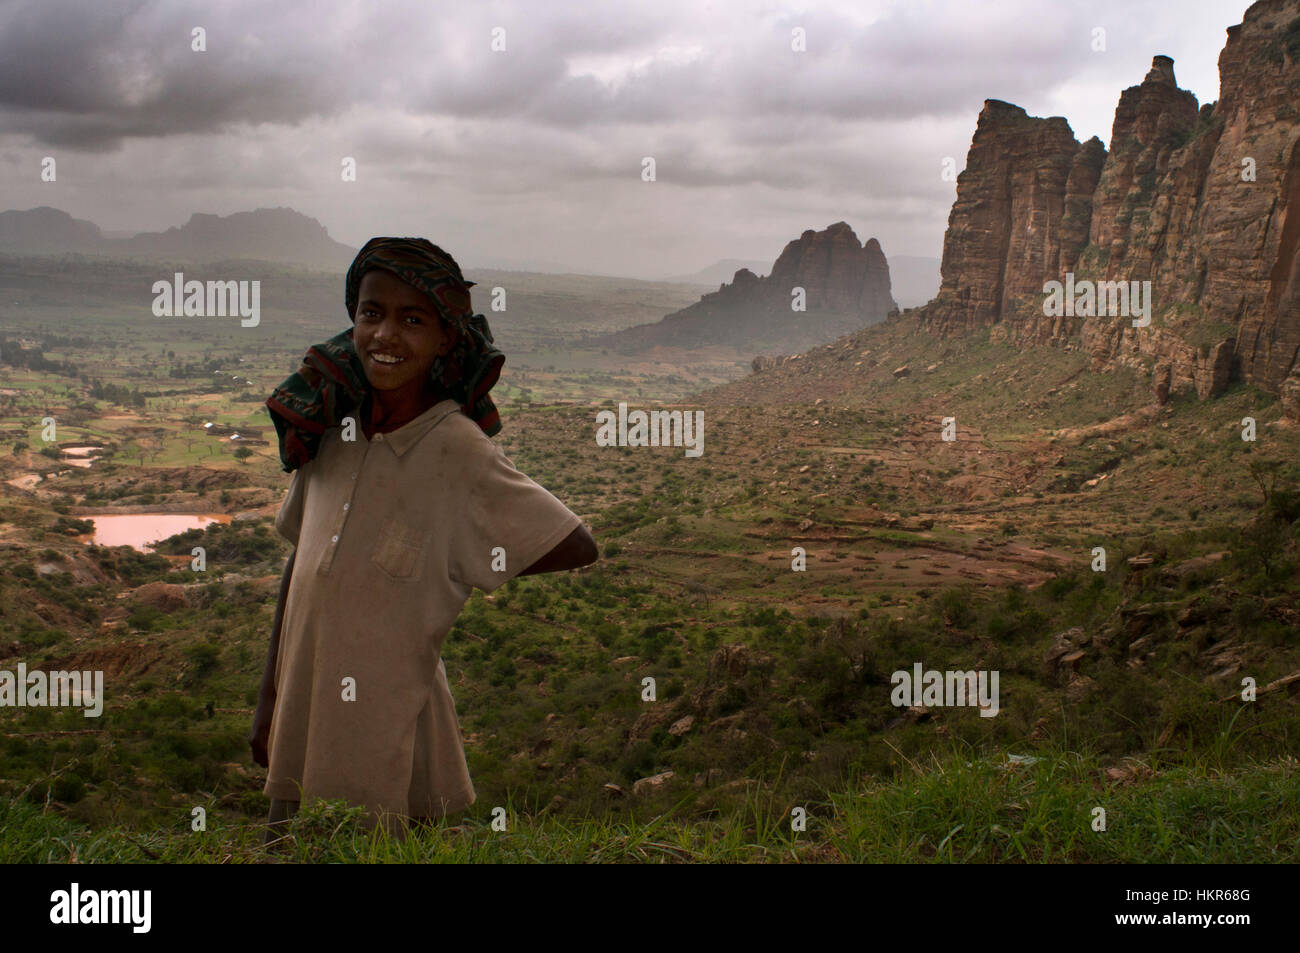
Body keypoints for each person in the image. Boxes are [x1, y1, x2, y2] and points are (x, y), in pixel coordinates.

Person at [250, 237, 597, 842]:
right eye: (371, 313)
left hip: (395, 724)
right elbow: (302, 566)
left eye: (413, 319)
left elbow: (577, 543)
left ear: (445, 338)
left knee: (387, 844)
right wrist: (269, 699)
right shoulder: (332, 432)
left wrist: (452, 565)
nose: (385, 335)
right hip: (302, 715)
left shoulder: (458, 449)